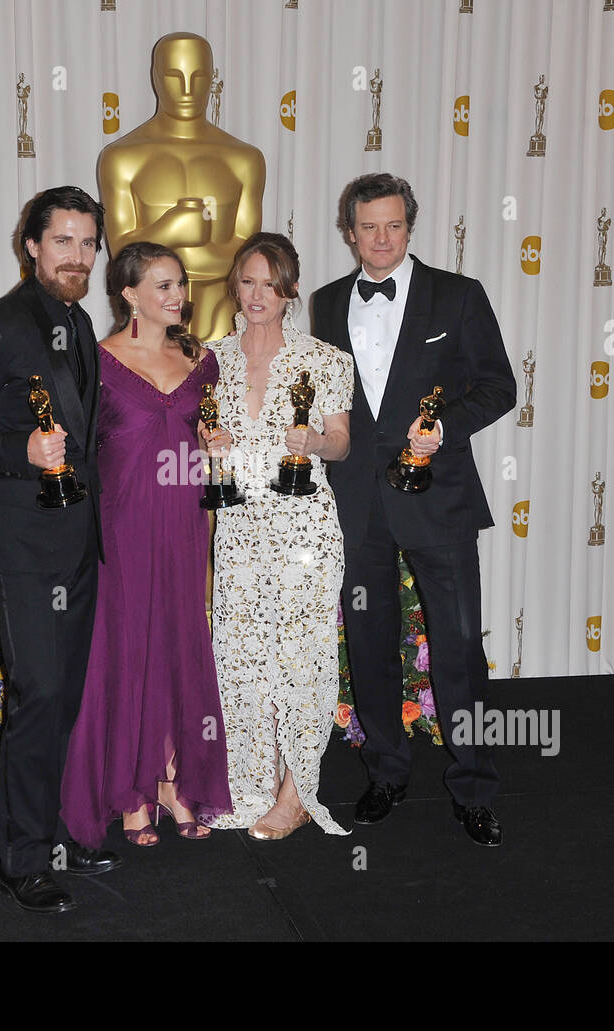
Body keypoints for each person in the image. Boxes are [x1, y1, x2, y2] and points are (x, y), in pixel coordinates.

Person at [311, 173, 516, 846]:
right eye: (368, 226)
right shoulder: (324, 303)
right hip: (358, 506)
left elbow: (499, 386)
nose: (381, 238)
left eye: (394, 225)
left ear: (410, 226)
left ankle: (475, 785)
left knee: (458, 649)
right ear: (349, 231)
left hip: (440, 501)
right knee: (370, 647)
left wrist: (445, 427)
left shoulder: (458, 296)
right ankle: (386, 771)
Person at [0, 185, 120, 914]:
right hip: (20, 543)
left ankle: (57, 829)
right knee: (39, 692)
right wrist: (21, 449)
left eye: (87, 242)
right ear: (32, 246)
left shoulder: (79, 326)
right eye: (62, 241)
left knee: (64, 697)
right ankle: (22, 860)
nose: (76, 255)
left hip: (77, 539)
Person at [60, 242, 231, 847]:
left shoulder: (202, 364)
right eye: (162, 286)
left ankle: (172, 781)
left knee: (178, 642)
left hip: (184, 519)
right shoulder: (96, 361)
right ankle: (130, 790)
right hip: (122, 523)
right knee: (129, 647)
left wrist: (215, 445)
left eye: (180, 284)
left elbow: (202, 444)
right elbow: (76, 451)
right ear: (128, 294)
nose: (178, 295)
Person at [201, 232, 353, 840]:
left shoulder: (325, 360)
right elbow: (200, 445)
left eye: (269, 282)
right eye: (247, 281)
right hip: (239, 528)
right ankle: (250, 785)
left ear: (289, 288)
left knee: (301, 658)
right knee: (239, 659)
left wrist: (313, 442)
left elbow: (341, 442)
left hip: (304, 527)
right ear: (234, 286)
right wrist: (208, 449)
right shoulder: (210, 359)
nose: (257, 293)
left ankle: (296, 793)